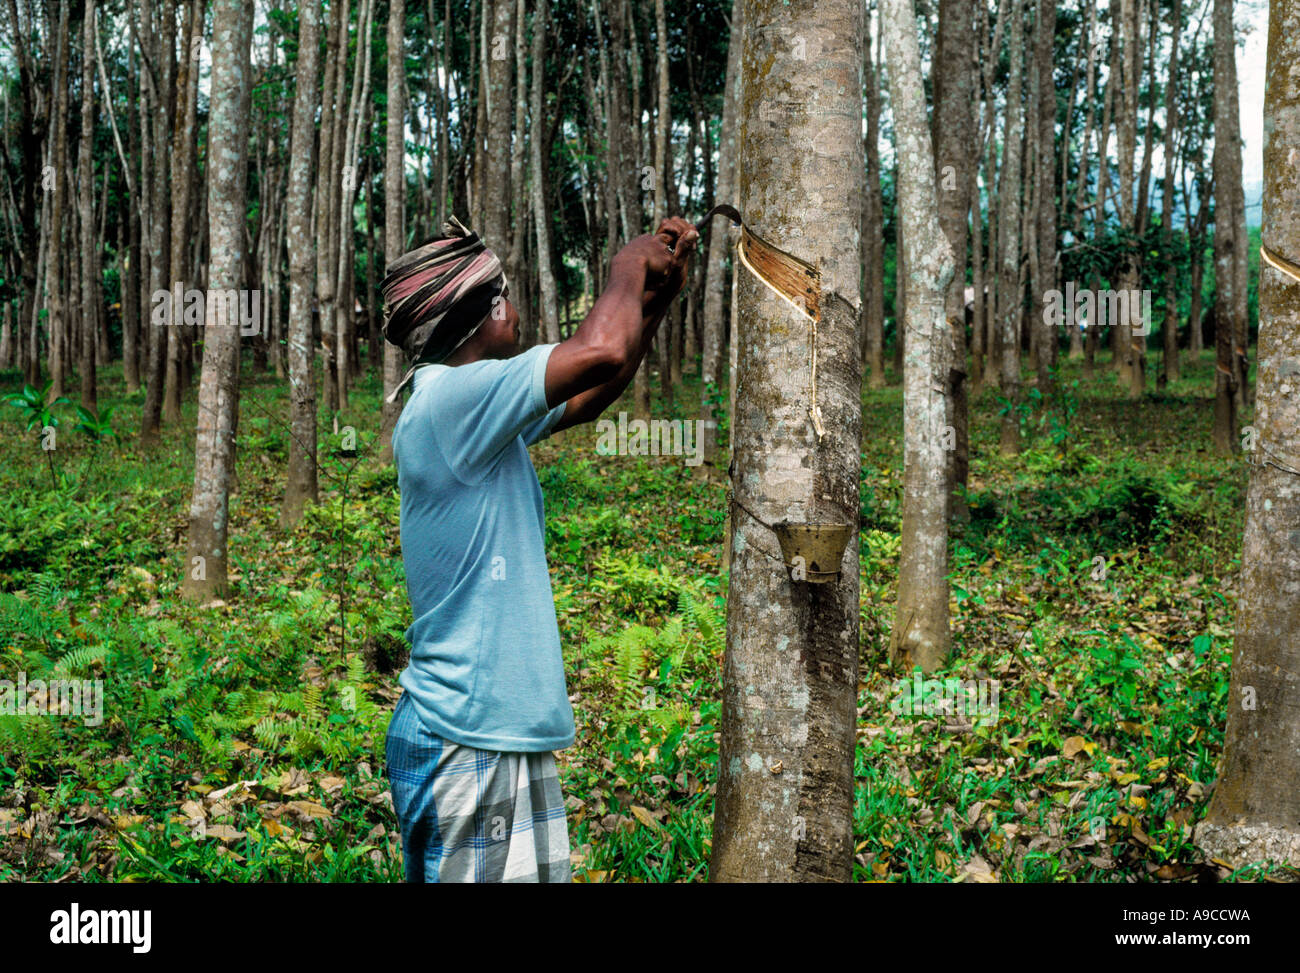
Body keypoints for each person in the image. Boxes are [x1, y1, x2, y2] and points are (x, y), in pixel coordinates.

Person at [380, 212, 698, 882]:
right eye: (506, 295)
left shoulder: (475, 409)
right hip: (466, 737)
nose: (517, 308)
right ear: (479, 310)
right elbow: (599, 351)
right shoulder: (453, 400)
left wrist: (655, 297)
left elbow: (591, 391)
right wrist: (624, 269)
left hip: (488, 730)